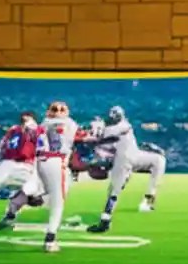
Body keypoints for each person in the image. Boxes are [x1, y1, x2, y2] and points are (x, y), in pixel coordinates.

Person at [87, 105, 166, 233]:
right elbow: (104, 141)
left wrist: (96, 129)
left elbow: (108, 134)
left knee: (159, 160)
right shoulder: (115, 127)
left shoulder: (121, 125)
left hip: (133, 156)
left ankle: (148, 198)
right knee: (114, 192)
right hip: (122, 160)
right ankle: (105, 220)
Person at [35, 100, 79, 253]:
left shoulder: (44, 123)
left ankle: (34, 195)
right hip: (55, 160)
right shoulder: (68, 123)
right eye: (56, 109)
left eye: (62, 109)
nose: (59, 111)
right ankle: (50, 240)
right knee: (58, 202)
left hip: (42, 162)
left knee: (58, 192)